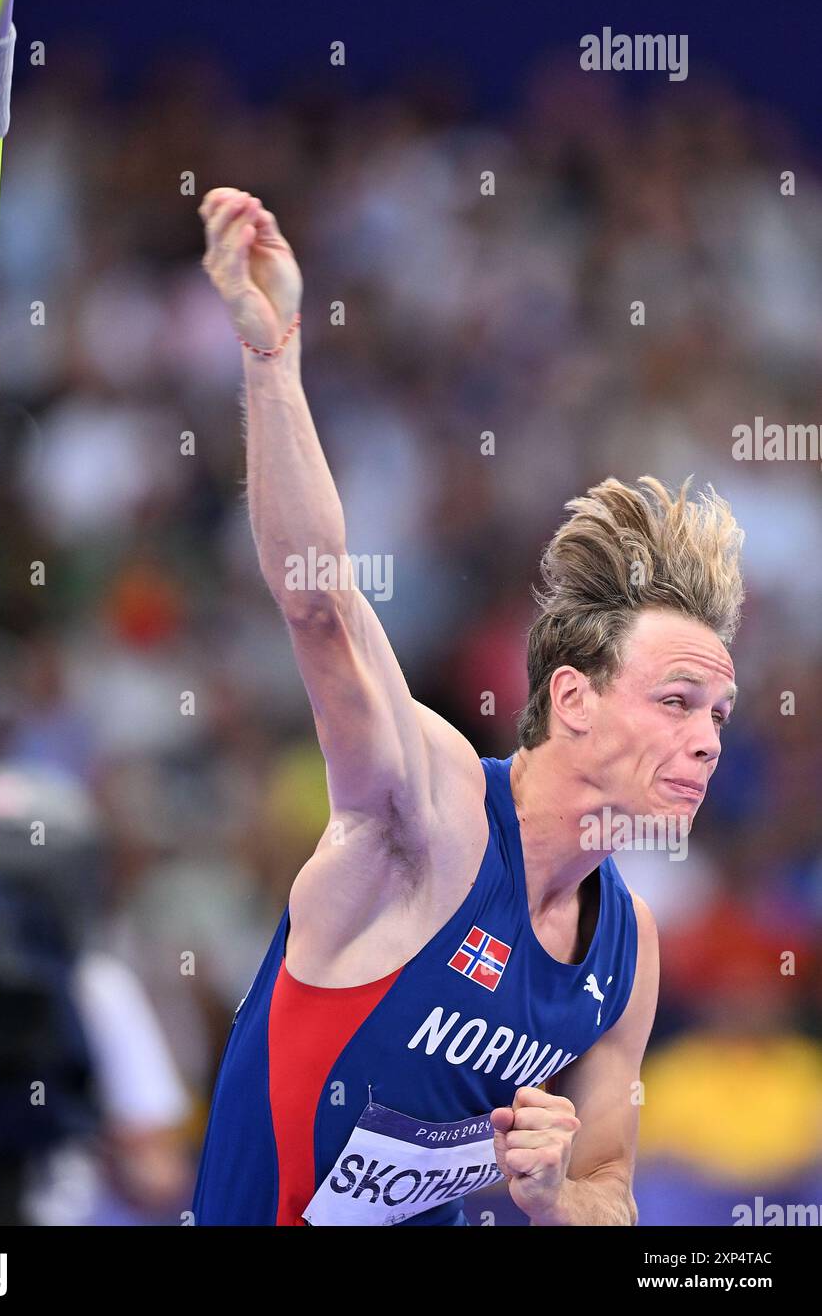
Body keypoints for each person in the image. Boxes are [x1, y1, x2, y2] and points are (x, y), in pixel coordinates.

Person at [190, 187, 743, 1227]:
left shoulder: (629, 951)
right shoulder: (427, 815)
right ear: (572, 699)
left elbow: (610, 1190)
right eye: (677, 700)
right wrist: (273, 363)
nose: (708, 741)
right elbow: (320, 606)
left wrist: (550, 1195)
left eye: (718, 713)